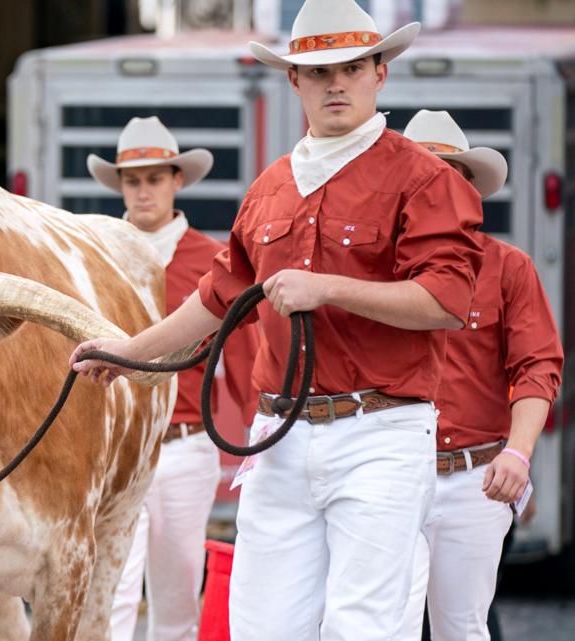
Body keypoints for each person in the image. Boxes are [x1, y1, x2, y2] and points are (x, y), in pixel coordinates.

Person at [71, 2, 485, 639]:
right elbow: (217, 299)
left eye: (351, 67)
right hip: (279, 434)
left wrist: (327, 289)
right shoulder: (268, 187)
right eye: (318, 71)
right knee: (260, 626)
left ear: (380, 72)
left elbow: (447, 302)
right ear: (294, 80)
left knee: (360, 627)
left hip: (382, 431)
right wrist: (128, 350)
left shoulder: (425, 177)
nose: (336, 83)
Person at [88, 117, 257, 641]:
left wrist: (255, 443)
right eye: (132, 180)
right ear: (119, 185)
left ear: (176, 180)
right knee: (110, 590)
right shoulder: (96, 252)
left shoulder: (211, 259)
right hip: (111, 446)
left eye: (155, 178)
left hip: (185, 445)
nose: (143, 190)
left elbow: (248, 355)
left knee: (178, 594)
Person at [398, 110, 563, 641]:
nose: (431, 188)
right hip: (386, 470)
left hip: (474, 477)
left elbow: (537, 364)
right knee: (381, 624)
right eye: (418, 175)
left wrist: (518, 453)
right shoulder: (368, 269)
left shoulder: (508, 268)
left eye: (446, 174)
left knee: (461, 627)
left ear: (469, 188)